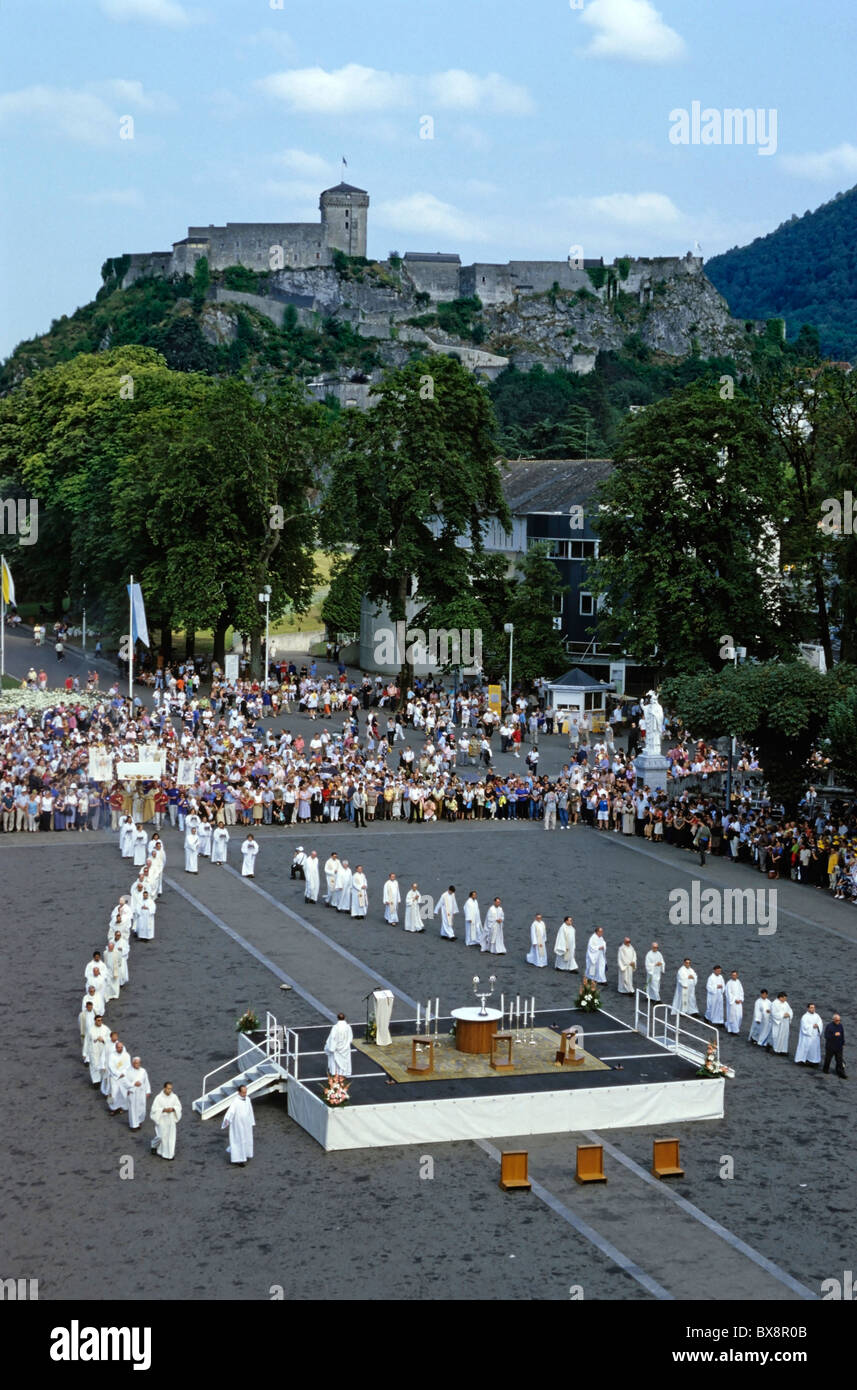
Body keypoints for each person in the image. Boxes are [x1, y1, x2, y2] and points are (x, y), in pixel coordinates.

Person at [221, 1085, 255, 1165]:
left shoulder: (248, 1099)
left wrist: (251, 1121)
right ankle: (239, 1159)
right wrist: (227, 1120)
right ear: (239, 1092)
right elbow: (231, 1112)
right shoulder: (235, 1101)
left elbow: (250, 1111)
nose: (244, 1094)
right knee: (239, 1140)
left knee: (247, 1139)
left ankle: (246, 1154)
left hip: (246, 1124)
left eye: (245, 1092)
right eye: (243, 1092)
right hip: (238, 1125)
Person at [150, 1082, 182, 1159]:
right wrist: (163, 1110)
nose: (169, 1090)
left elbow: (179, 1106)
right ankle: (154, 1145)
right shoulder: (158, 1098)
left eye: (171, 1089)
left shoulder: (174, 1097)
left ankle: (169, 1154)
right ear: (164, 1088)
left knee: (171, 1137)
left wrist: (173, 1109)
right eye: (168, 1089)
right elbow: (154, 1110)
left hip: (170, 1120)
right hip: (162, 1119)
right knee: (161, 1136)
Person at [324, 1012, 353, 1083]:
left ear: (337, 1018)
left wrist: (331, 1048)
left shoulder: (335, 1027)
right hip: (345, 1048)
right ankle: (342, 1075)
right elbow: (350, 1038)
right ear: (344, 1018)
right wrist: (346, 1045)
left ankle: (335, 1074)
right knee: (344, 1061)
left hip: (336, 1048)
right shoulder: (348, 1027)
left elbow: (332, 1038)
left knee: (335, 1062)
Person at [124, 1056, 151, 1130]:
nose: (137, 1064)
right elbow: (125, 1082)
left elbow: (146, 1081)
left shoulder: (143, 1071)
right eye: (136, 1063)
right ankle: (133, 1125)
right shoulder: (128, 1071)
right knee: (133, 1108)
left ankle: (139, 1121)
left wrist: (148, 1091)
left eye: (139, 1063)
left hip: (141, 1092)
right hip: (133, 1092)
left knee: (141, 1108)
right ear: (133, 1063)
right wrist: (133, 1084)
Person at [107, 1041, 132, 1115]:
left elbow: (128, 1066)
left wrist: (123, 1073)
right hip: (114, 1078)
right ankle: (113, 1108)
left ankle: (121, 1107)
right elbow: (110, 1066)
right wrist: (118, 1074)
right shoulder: (112, 1055)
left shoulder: (126, 1055)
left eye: (121, 1047)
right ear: (116, 1048)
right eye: (118, 1047)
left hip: (123, 1077)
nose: (120, 1049)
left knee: (122, 1093)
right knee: (114, 1093)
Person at [822, 1013, 847, 1079]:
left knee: (839, 1060)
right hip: (830, 1046)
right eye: (837, 1020)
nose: (838, 1021)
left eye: (839, 1020)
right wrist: (834, 1035)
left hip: (839, 1046)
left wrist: (843, 1042)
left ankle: (840, 1072)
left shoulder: (840, 1026)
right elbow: (826, 1036)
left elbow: (842, 1035)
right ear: (833, 1020)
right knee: (828, 1059)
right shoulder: (829, 1026)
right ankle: (825, 1070)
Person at [88, 1014, 110, 1087]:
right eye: (98, 1020)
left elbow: (110, 1038)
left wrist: (103, 1039)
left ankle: (103, 1079)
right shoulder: (90, 1030)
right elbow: (86, 1041)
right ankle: (96, 1081)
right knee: (94, 1065)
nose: (100, 1022)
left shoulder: (105, 1029)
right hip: (94, 1051)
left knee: (103, 1064)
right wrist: (85, 1054)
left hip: (103, 1049)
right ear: (95, 1021)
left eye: (101, 1020)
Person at [725, 970, 744, 1035]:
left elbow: (741, 991)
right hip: (733, 1003)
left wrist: (741, 999)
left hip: (739, 1003)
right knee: (733, 1016)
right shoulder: (729, 983)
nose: (734, 976)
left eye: (735, 975)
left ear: (737, 975)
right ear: (731, 975)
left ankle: (736, 1028)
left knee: (739, 1016)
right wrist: (735, 999)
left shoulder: (739, 982)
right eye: (733, 975)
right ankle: (732, 1030)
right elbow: (728, 993)